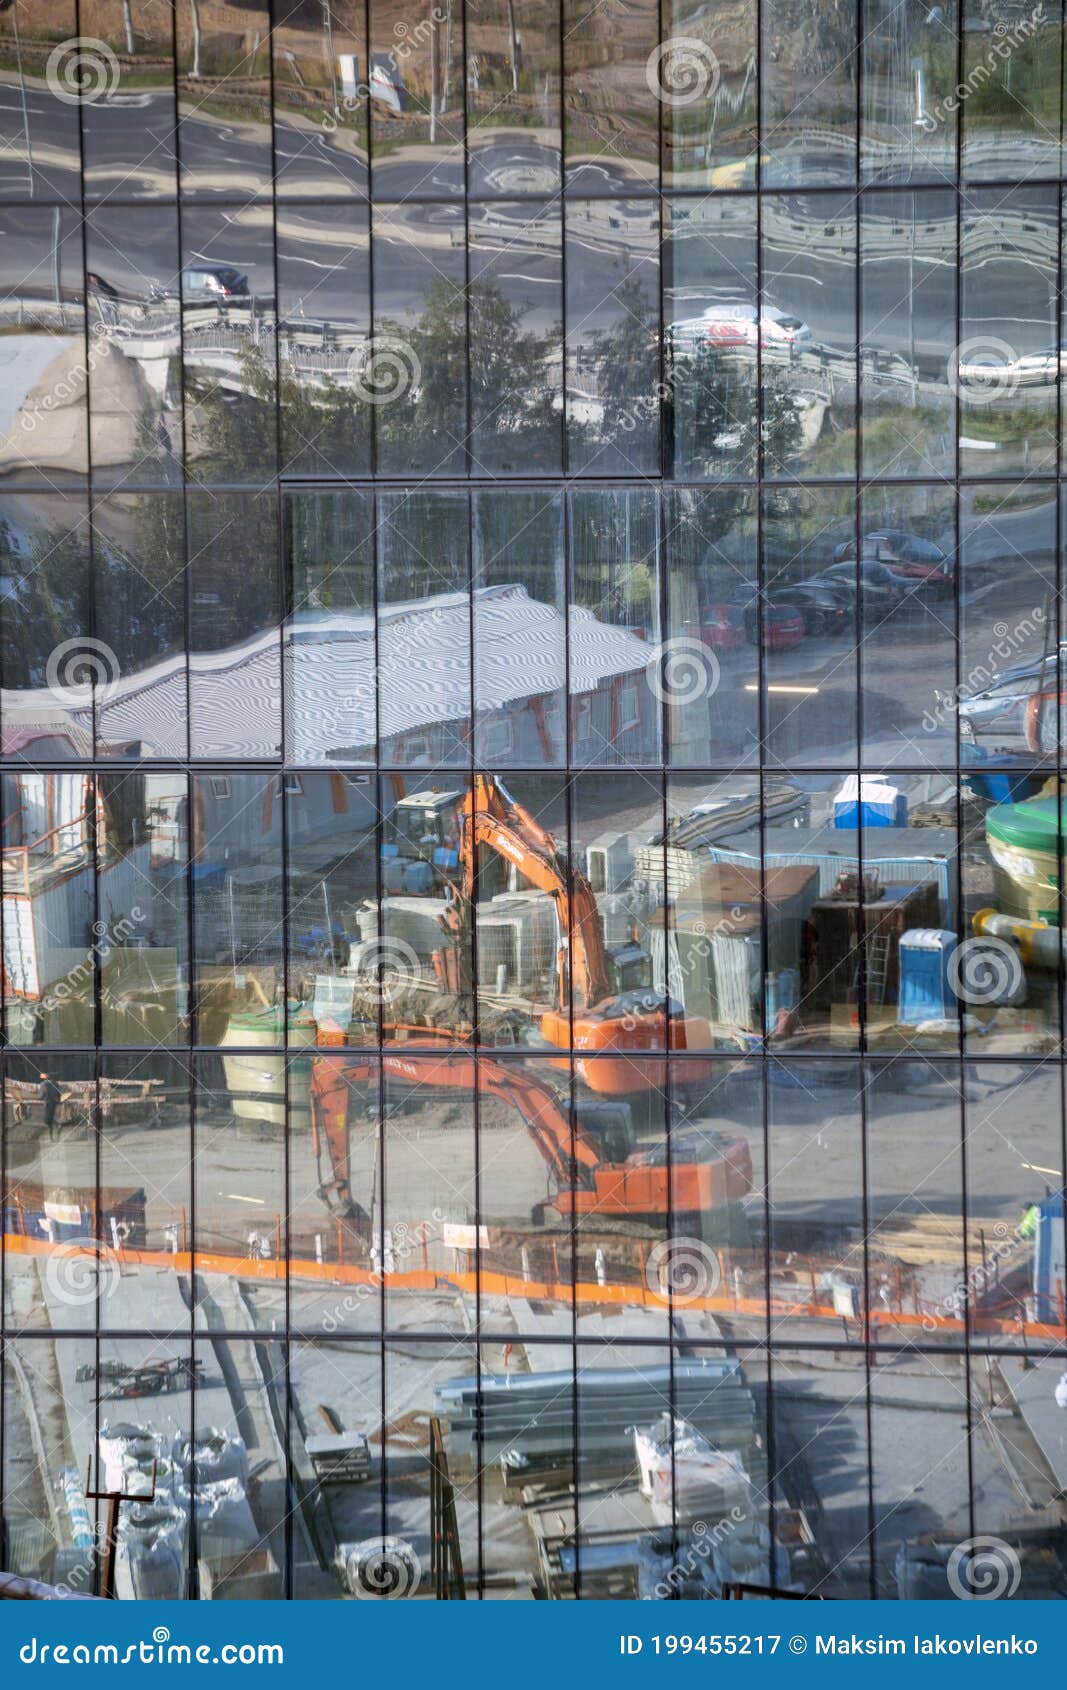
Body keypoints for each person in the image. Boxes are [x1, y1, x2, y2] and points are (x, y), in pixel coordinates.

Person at [39, 1072, 62, 1141]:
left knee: (47, 1120)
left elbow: (42, 1094)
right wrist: (58, 1100)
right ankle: (52, 1136)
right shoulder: (56, 1083)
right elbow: (59, 1094)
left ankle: (56, 1127)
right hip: (54, 1102)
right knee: (50, 1118)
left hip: (47, 1102)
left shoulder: (43, 1084)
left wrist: (39, 1098)